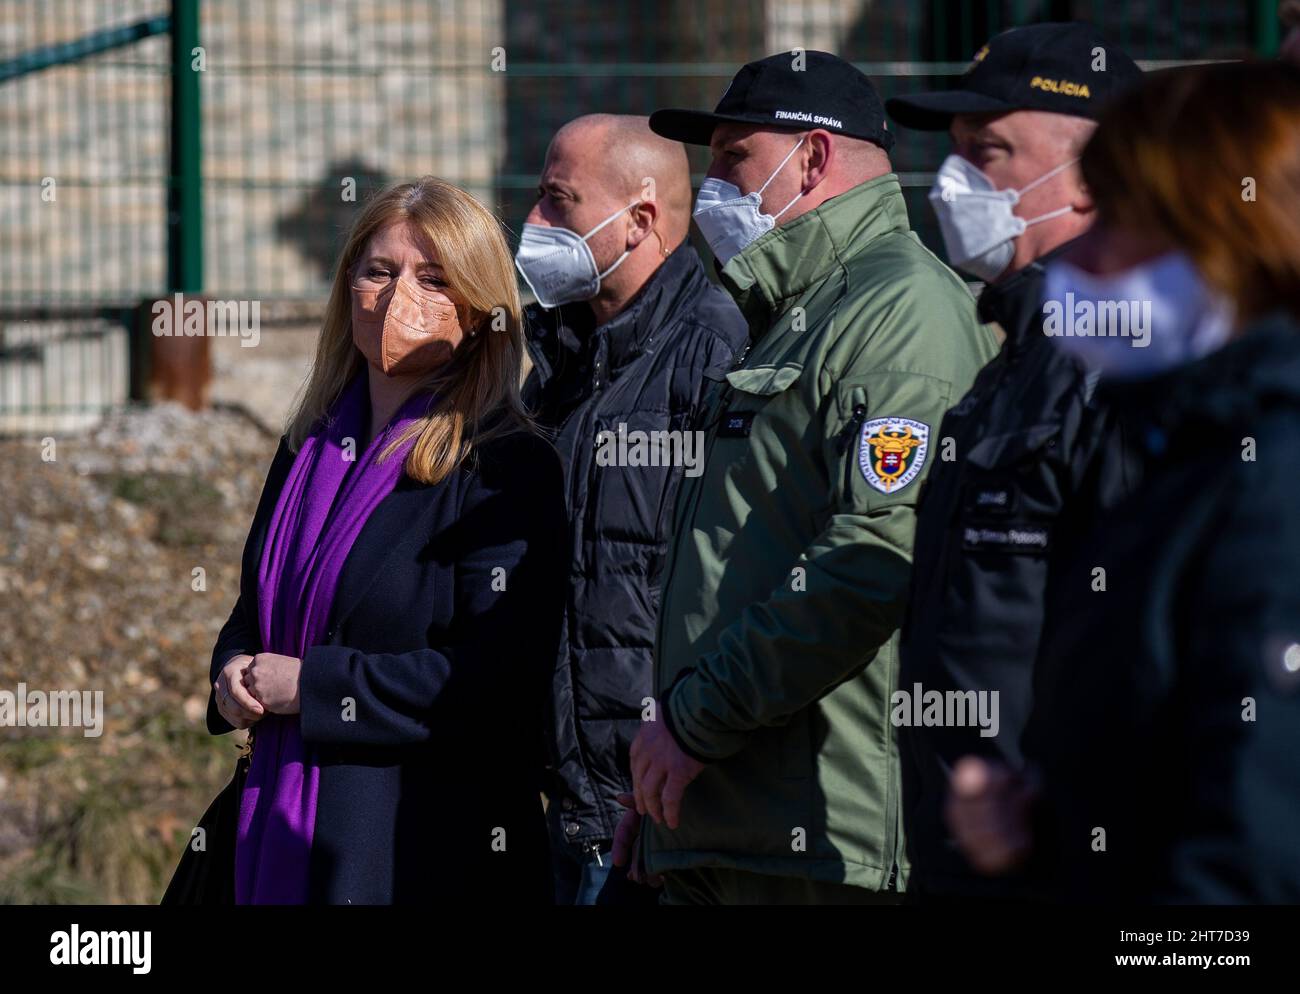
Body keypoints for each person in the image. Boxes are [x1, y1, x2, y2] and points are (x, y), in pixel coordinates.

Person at [608, 51, 998, 905]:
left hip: (823, 839)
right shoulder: (795, 312)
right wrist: (669, 787)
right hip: (721, 819)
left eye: (731, 160)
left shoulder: (901, 313)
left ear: (813, 159)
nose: (711, 189)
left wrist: (695, 721)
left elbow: (870, 559)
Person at [946, 60, 1300, 903]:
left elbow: (1249, 856)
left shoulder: (1273, 480)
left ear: (1225, 236)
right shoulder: (1189, 445)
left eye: (1125, 221)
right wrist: (1041, 825)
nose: (1088, 254)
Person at [207, 177, 566, 904]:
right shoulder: (309, 446)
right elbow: (260, 608)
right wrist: (233, 671)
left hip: (420, 848)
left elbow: (498, 681)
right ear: (348, 287)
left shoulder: (503, 462)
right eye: (380, 270)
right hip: (277, 824)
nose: (400, 295)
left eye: (434, 279)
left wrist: (313, 687)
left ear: (479, 310)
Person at [884, 22, 1143, 901]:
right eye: (953, 152)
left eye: (989, 151)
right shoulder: (1021, 354)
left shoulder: (1125, 359)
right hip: (967, 853)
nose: (957, 181)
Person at [515, 114, 748, 904]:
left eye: (558, 201)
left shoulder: (717, 354)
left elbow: (728, 588)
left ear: (639, 219)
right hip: (566, 812)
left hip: (654, 825)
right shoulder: (561, 357)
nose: (534, 224)